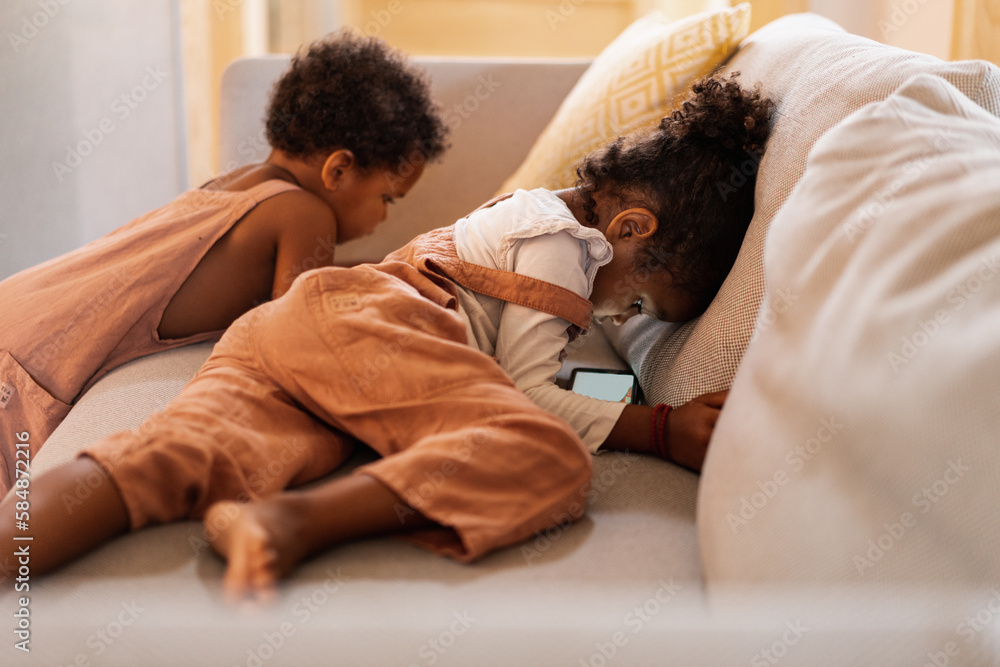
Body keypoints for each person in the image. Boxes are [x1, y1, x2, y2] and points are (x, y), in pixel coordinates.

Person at [0, 74, 774, 599]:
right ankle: (294, 522)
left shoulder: (530, 214)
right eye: (637, 299)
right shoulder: (563, 244)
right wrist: (658, 427)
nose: (621, 317)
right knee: (546, 457)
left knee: (169, 456)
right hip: (370, 330)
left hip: (298, 337)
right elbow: (530, 393)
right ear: (631, 229)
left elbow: (510, 367)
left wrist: (602, 392)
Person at [0, 30, 448, 493]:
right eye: (387, 199)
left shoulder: (241, 183)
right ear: (338, 170)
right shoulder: (306, 215)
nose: (383, 218)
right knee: (20, 532)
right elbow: (300, 331)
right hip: (27, 369)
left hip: (19, 311)